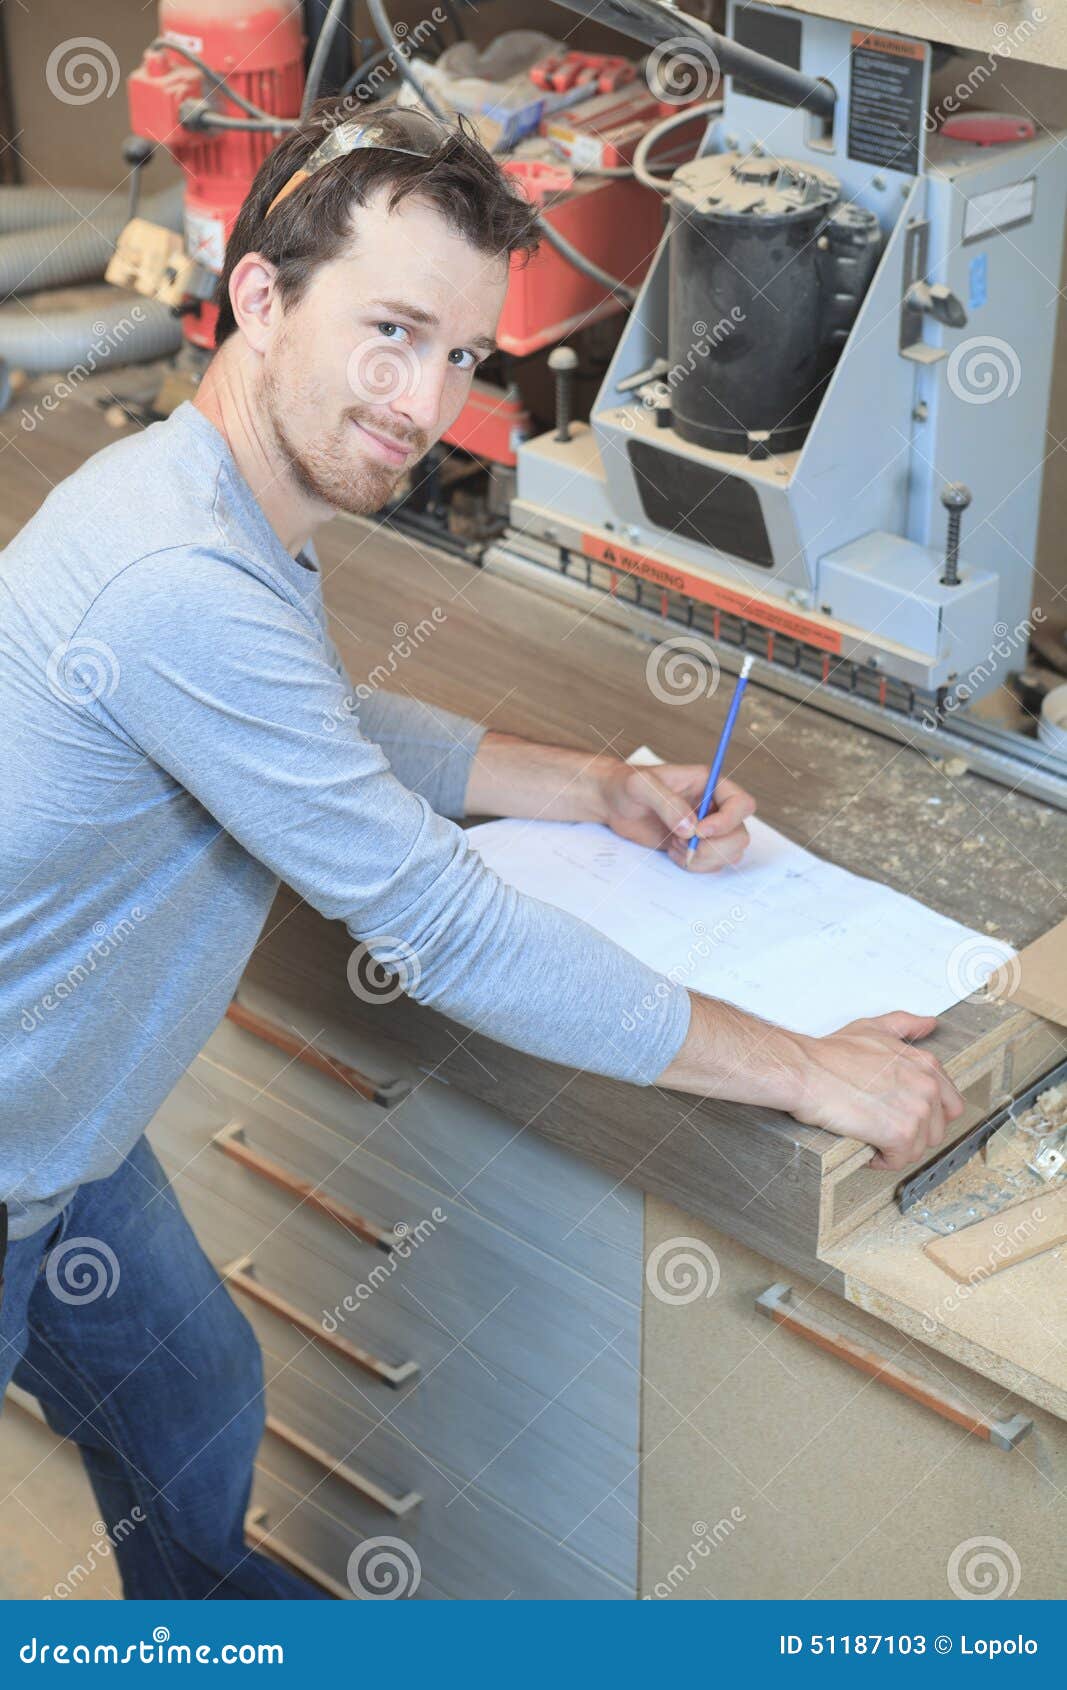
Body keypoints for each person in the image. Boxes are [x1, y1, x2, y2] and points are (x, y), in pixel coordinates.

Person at [0, 102, 963, 1598]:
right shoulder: (178, 574)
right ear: (260, 298)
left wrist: (587, 786)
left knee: (187, 1403)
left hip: (52, 1142)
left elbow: (315, 720)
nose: (422, 397)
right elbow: (446, 930)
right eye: (388, 329)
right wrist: (810, 1065)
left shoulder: (213, 510)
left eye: (458, 353)